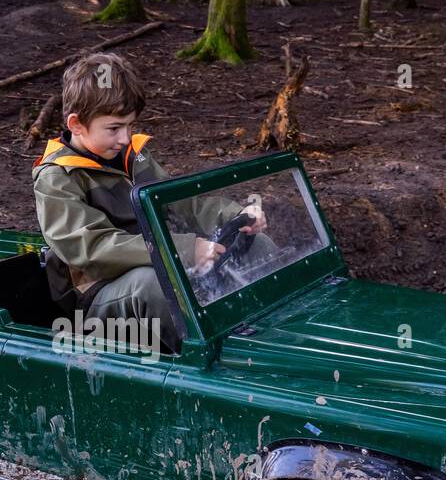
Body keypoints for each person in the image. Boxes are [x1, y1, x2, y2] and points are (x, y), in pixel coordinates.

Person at [32, 52, 270, 354]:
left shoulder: (132, 156)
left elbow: (181, 203)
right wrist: (181, 250)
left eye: (130, 126)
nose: (125, 137)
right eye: (114, 128)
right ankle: (209, 364)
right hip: (95, 295)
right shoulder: (57, 176)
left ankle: (275, 332)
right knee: (155, 283)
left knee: (255, 244)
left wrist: (237, 214)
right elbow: (92, 250)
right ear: (77, 124)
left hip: (160, 263)